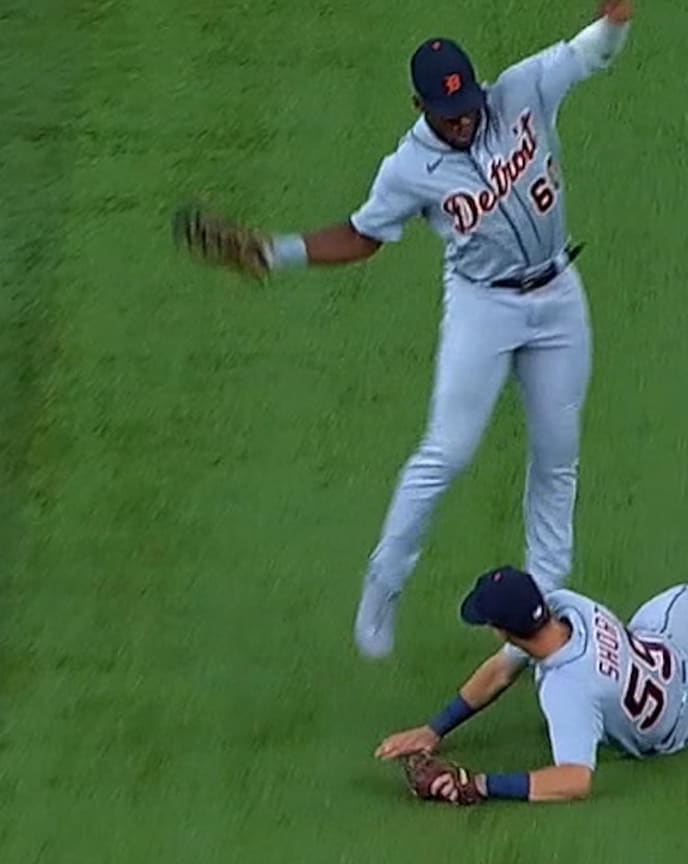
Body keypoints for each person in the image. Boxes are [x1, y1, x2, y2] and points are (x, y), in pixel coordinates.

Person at [171, 2, 637, 660]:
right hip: (484, 305)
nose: (465, 118)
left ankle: (544, 618)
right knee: (446, 452)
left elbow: (593, 54)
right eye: (449, 113)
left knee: (557, 456)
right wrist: (277, 251)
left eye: (469, 104)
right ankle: (384, 582)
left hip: (558, 293)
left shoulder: (522, 90)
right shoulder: (408, 168)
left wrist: (614, 19)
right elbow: (364, 236)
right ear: (419, 105)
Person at [375, 562, 688, 803]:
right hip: (678, 661)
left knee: (635, 699)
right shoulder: (569, 605)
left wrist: (481, 784)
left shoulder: (566, 692)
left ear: (504, 629)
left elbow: (576, 779)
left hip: (670, 735)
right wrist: (434, 729)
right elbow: (502, 669)